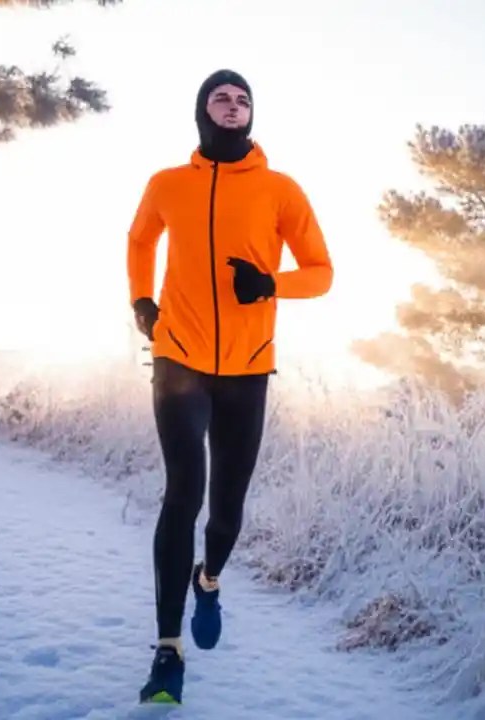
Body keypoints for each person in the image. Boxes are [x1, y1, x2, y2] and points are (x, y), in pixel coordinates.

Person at [125, 68, 334, 704]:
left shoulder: (280, 189)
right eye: (222, 95)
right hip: (179, 358)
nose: (233, 104)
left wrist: (271, 284)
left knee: (227, 509)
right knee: (182, 491)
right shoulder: (168, 184)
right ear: (202, 110)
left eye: (243, 99)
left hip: (247, 368)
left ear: (252, 116)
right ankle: (167, 653)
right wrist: (141, 299)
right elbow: (139, 239)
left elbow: (322, 271)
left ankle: (208, 580)